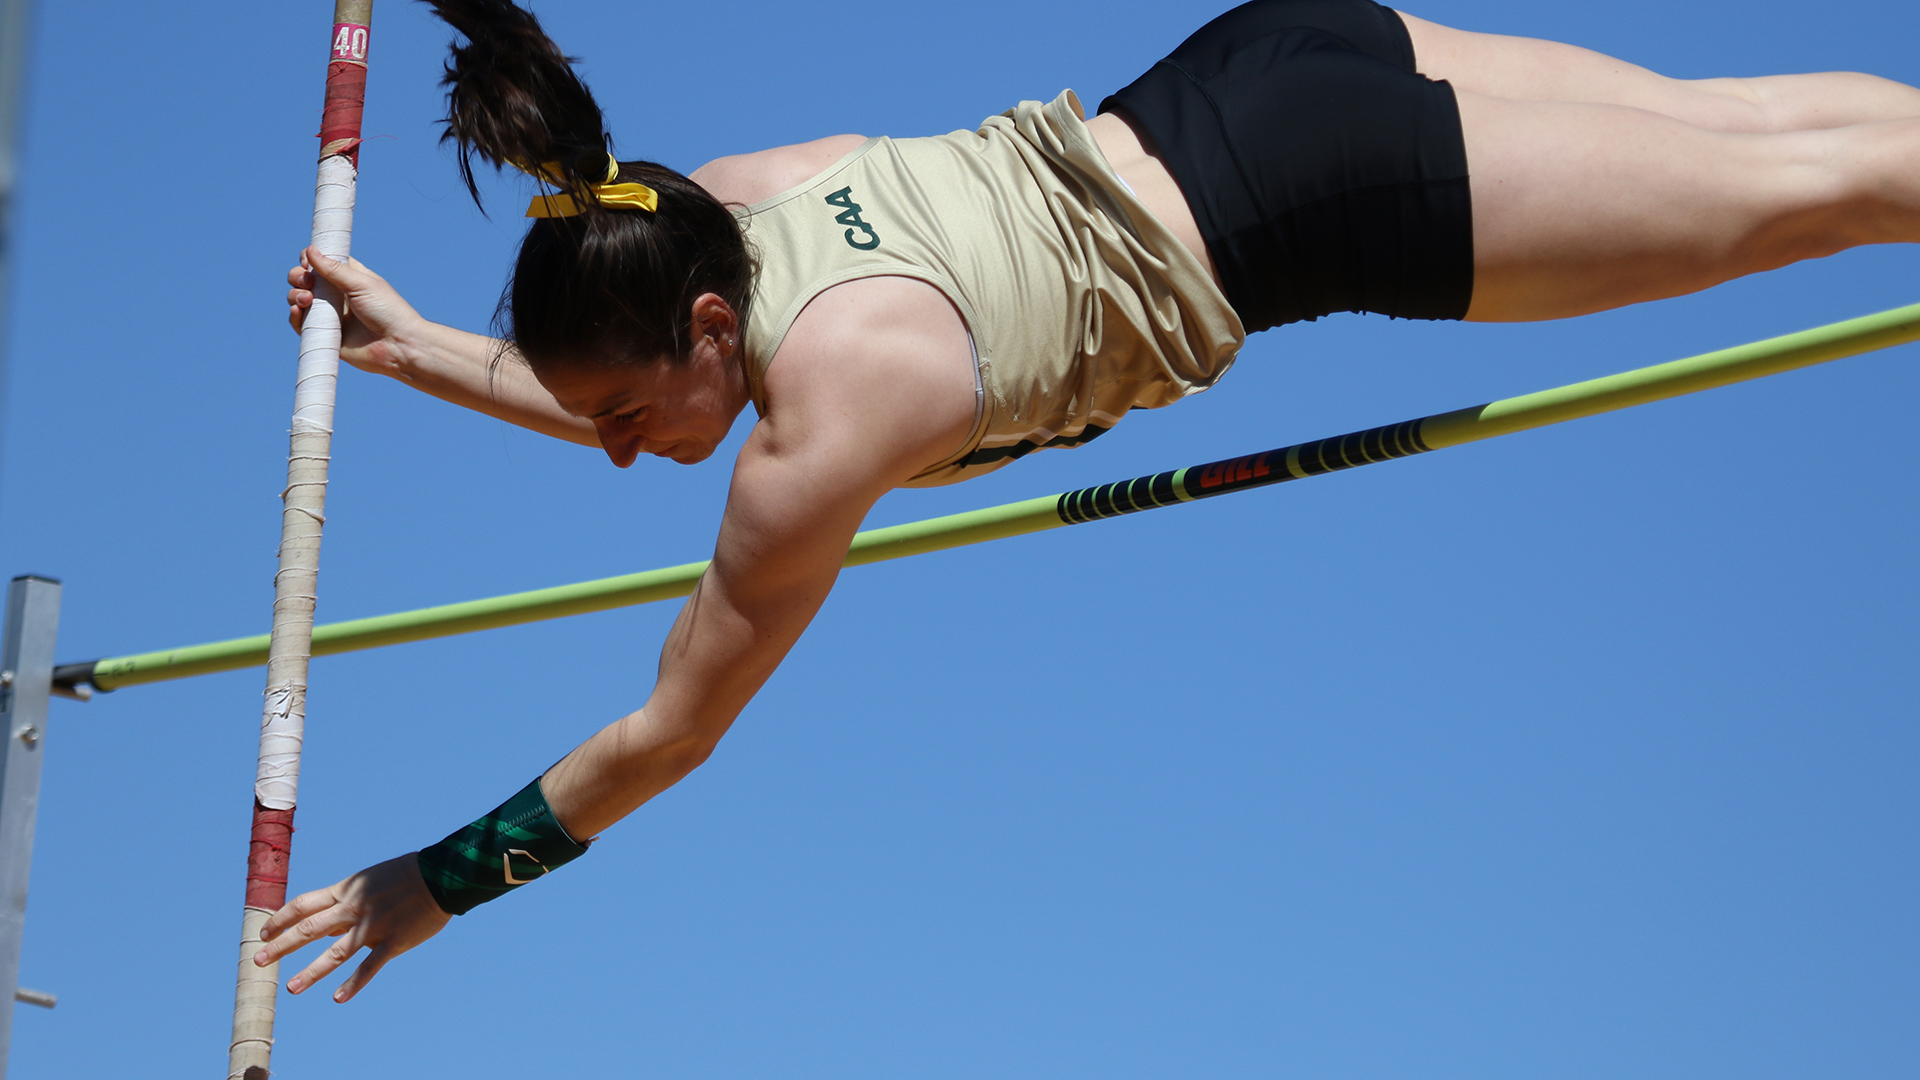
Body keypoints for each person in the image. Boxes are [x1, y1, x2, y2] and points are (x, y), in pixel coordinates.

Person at [256, 0, 1920, 1002]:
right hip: (1262, 65)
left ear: (707, 333)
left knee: (1804, 203)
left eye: (620, 419)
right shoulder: (704, 208)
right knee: (1775, 135)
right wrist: (414, 354)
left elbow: (673, 730)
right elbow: (612, 366)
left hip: (1318, 199)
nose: (612, 450)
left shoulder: (818, 431)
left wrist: (442, 878)